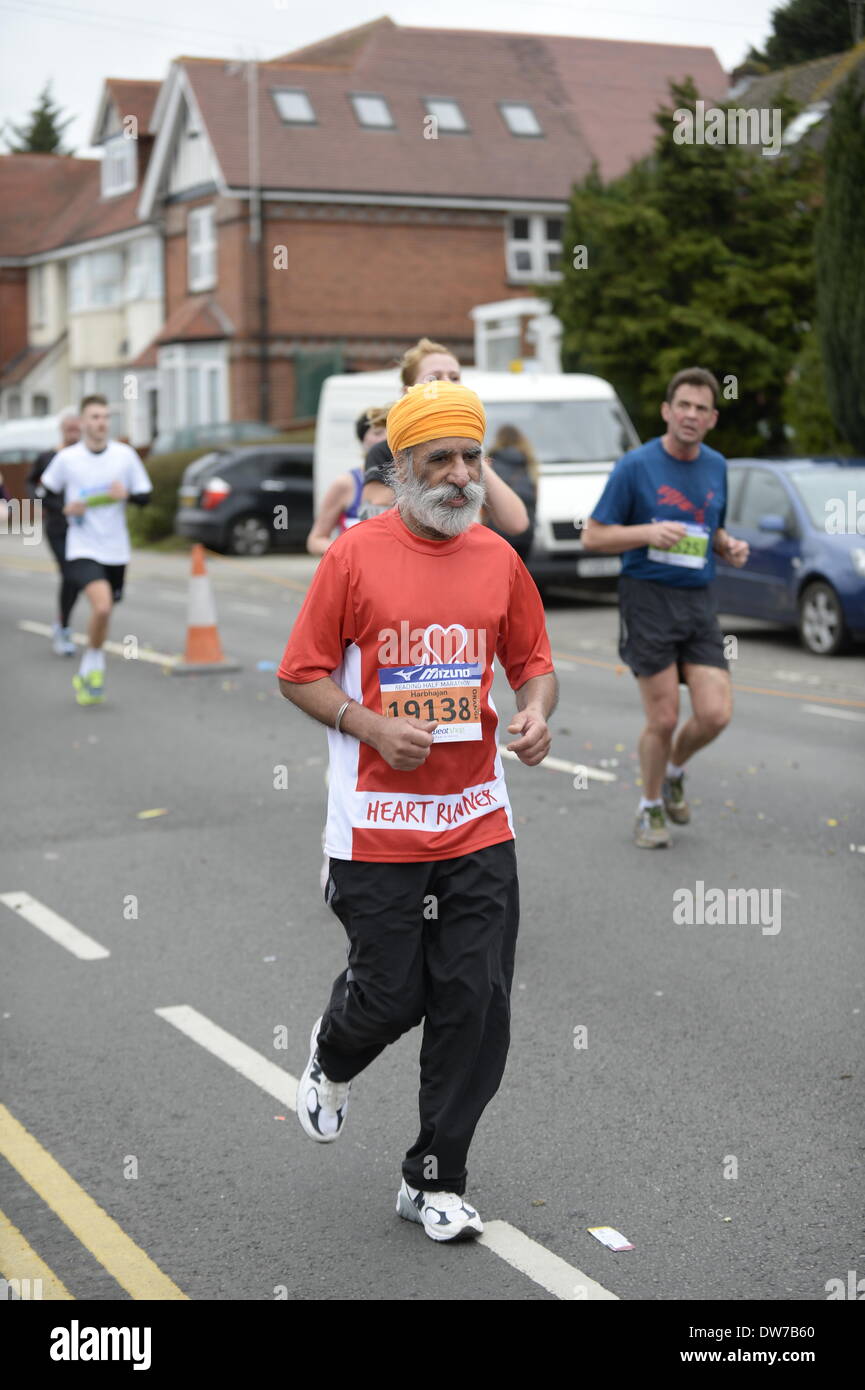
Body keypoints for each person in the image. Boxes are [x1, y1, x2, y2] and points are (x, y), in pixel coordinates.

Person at [278, 380, 557, 1242]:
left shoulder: (496, 560)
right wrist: (366, 724)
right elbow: (300, 671)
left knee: (474, 1003)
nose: (460, 475)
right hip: (375, 827)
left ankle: (434, 1179)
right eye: (440, 459)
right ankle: (332, 1053)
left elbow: (532, 661)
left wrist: (537, 712)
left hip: (477, 817)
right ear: (401, 467)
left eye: (471, 458)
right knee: (392, 995)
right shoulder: (354, 558)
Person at [582, 367, 749, 848]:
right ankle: (650, 808)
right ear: (666, 411)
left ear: (712, 418)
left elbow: (708, 528)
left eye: (701, 408)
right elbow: (593, 535)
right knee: (663, 718)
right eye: (684, 406)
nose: (691, 415)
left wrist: (727, 546)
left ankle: (674, 771)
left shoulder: (717, 466)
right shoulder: (635, 466)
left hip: (698, 601)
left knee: (715, 714)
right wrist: (645, 533)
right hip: (647, 599)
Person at [359, 338, 531, 544]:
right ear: (408, 392)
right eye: (434, 378)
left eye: (454, 377)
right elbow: (375, 509)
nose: (446, 384)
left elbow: (516, 523)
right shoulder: (384, 450)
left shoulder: (471, 451)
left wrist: (474, 457)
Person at [40, 395, 152, 706]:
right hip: (82, 546)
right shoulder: (68, 459)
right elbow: (44, 494)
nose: (101, 423)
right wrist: (66, 508)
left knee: (106, 612)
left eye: (105, 417)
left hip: (117, 549)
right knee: (101, 606)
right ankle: (94, 663)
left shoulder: (124, 456)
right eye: (94, 417)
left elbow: (146, 497)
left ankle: (92, 659)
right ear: (83, 423)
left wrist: (126, 494)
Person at [27, 408, 81, 654]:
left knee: (78, 579)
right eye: (69, 429)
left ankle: (62, 621)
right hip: (57, 526)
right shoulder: (48, 456)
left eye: (76, 428)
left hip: (82, 529)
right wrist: (39, 503)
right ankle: (63, 627)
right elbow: (31, 482)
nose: (73, 433)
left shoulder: (85, 456)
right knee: (70, 574)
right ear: (62, 430)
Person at [306, 406, 389, 556]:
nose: (385, 438)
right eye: (377, 433)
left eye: (390, 432)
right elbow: (316, 539)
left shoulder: (408, 481)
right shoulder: (347, 483)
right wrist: (349, 552)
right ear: (362, 439)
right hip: (356, 573)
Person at [485, 424, 539, 561]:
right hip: (526, 530)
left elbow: (484, 500)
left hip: (496, 529)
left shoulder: (489, 463)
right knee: (519, 570)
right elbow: (536, 498)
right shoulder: (529, 463)